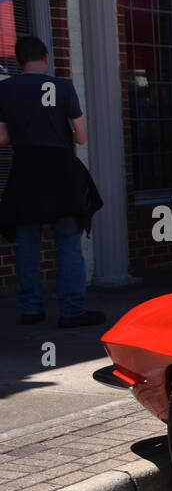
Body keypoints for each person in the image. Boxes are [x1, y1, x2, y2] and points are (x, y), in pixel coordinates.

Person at [0, 36, 103, 326]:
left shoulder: (4, 90)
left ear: (19, 62)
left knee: (27, 244)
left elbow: (3, 138)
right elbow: (81, 137)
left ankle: (31, 310)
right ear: (45, 57)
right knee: (69, 243)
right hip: (61, 172)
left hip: (25, 171)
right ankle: (72, 311)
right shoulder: (63, 87)